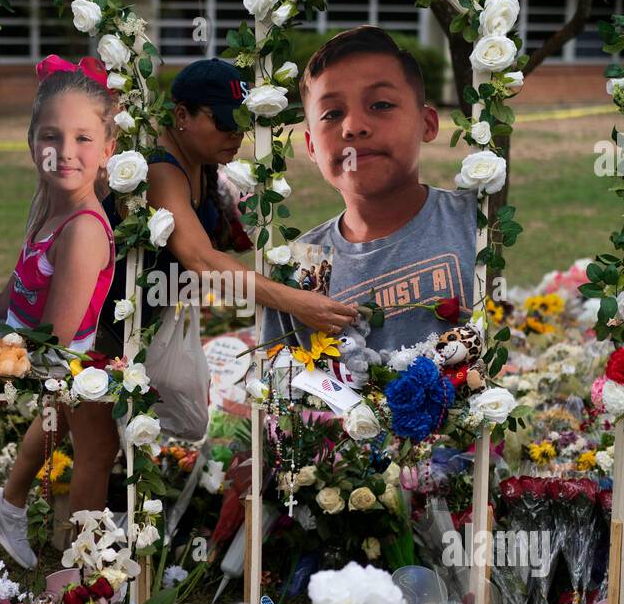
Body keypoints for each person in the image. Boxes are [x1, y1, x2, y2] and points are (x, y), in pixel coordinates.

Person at [95, 57, 358, 358]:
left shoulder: (199, 163)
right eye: (225, 122)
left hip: (144, 327)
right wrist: (296, 302)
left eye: (242, 124)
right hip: (100, 328)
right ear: (182, 115)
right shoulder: (159, 171)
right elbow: (203, 262)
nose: (236, 134)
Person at [0, 56, 122, 569]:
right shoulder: (51, 214)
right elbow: (26, 304)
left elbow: (53, 339)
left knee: (95, 445)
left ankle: (76, 560)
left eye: (83, 138)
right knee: (96, 449)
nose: (64, 152)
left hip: (66, 364)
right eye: (51, 136)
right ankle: (81, 567)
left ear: (109, 150)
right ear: (32, 141)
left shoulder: (81, 227)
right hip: (62, 367)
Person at [260, 26, 479, 355]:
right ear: (312, 147)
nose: (353, 127)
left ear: (428, 124)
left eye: (380, 105)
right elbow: (278, 390)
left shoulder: (478, 220)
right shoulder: (300, 267)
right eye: (332, 114)